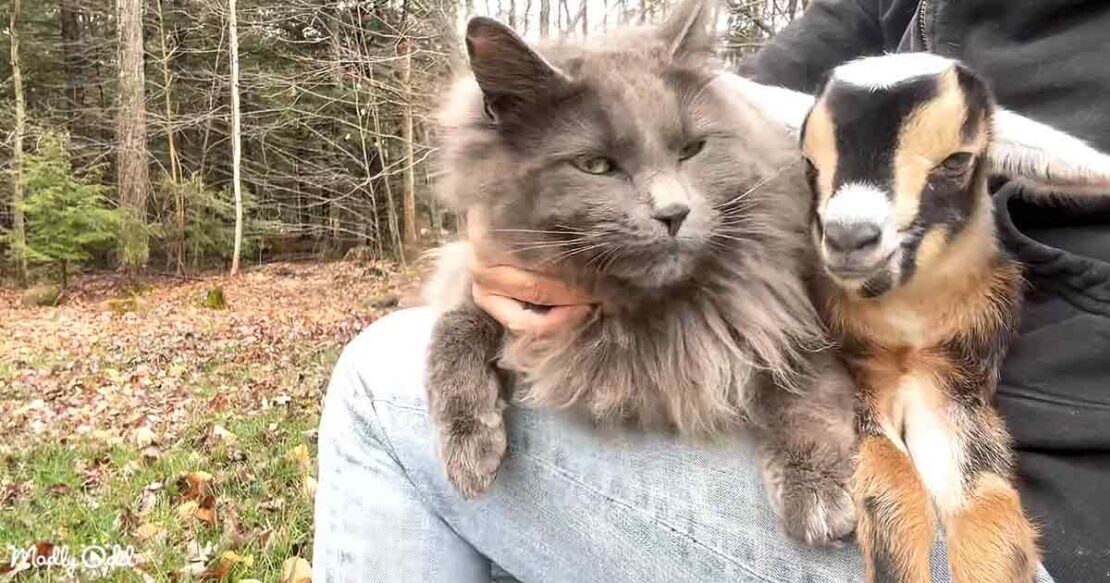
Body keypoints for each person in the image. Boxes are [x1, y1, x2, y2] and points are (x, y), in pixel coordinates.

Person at [313, 1, 1110, 581]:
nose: (669, 199)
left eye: (686, 158)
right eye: (603, 166)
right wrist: (506, 236)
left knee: (378, 389)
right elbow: (726, 93)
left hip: (1009, 525)